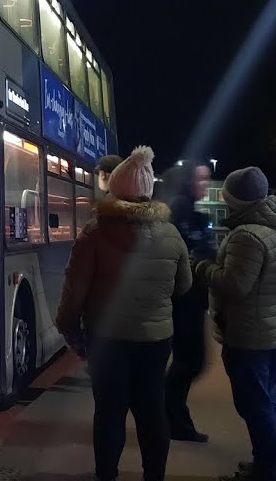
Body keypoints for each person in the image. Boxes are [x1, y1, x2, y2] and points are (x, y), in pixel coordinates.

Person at [57, 146, 192, 481]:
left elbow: (75, 291)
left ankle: (106, 475)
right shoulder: (171, 234)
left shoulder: (95, 232)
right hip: (156, 339)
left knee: (109, 413)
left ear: (115, 188)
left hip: (107, 339)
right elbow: (183, 285)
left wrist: (70, 330)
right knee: (152, 410)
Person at [194, 166, 276, 481]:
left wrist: (202, 267)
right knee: (267, 399)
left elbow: (235, 284)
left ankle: (268, 470)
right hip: (270, 330)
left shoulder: (247, 235)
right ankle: (271, 463)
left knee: (255, 405)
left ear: (237, 199)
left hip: (249, 334)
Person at [160, 161, 217, 443]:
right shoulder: (179, 211)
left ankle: (170, 418)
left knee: (191, 361)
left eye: (208, 179)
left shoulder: (191, 211)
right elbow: (185, 255)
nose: (205, 184)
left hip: (192, 299)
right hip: (184, 299)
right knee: (191, 361)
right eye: (200, 179)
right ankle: (171, 420)